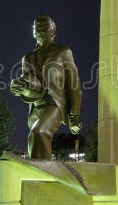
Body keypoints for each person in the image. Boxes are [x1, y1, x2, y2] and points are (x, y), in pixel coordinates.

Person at [10, 15, 81, 159]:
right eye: (37, 27)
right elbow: (30, 82)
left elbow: (74, 84)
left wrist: (74, 114)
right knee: (33, 136)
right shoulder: (27, 58)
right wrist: (19, 87)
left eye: (44, 27)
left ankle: (41, 174)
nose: (40, 29)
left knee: (40, 132)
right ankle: (39, 168)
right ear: (33, 32)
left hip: (55, 104)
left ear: (53, 32)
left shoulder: (63, 52)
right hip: (36, 106)